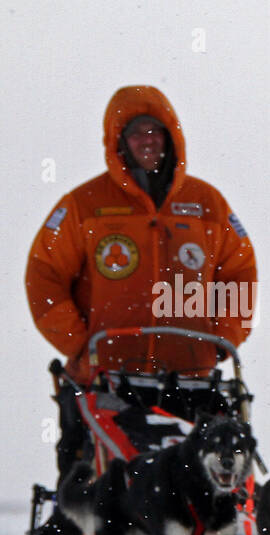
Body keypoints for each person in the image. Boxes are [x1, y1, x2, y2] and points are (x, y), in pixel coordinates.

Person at [27, 85, 257, 388]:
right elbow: (44, 273)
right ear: (119, 141)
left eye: (155, 131)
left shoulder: (207, 204)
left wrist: (222, 339)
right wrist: (80, 345)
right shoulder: (84, 205)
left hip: (192, 382)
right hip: (105, 382)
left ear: (170, 136)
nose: (147, 140)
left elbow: (239, 271)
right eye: (136, 133)